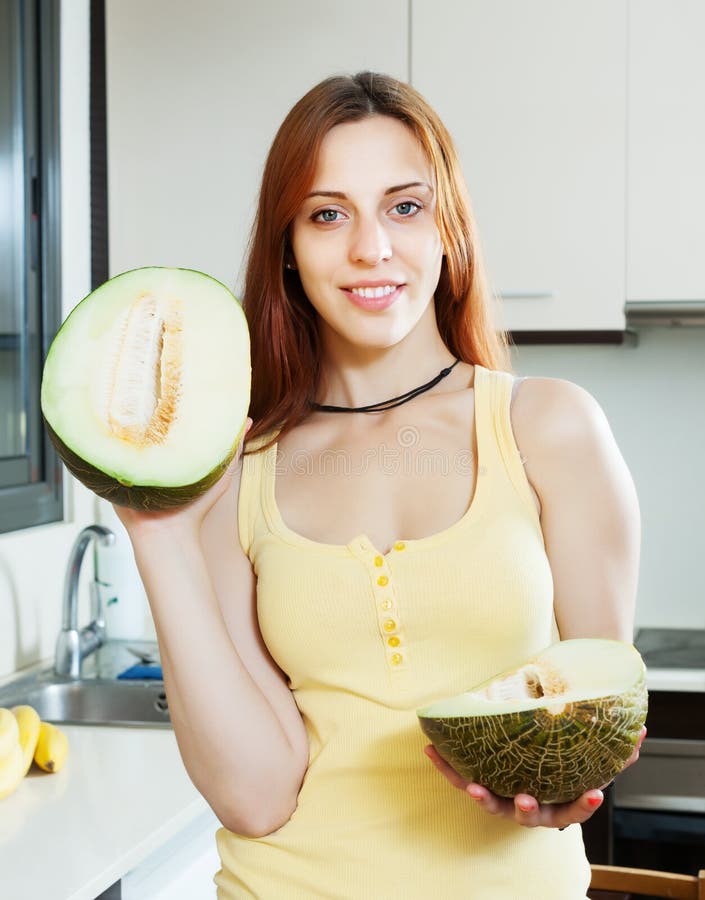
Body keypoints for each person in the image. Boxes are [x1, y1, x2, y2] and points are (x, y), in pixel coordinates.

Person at [115, 71, 644, 899]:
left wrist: (562, 793)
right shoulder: (238, 468)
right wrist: (157, 535)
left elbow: (592, 716)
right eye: (328, 214)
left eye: (404, 207)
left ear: (448, 227)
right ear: (288, 243)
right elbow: (254, 796)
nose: (371, 249)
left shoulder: (548, 429)